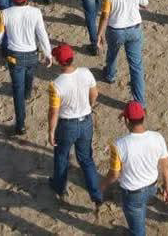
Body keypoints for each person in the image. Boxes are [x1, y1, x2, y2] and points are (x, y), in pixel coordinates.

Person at [101, 101, 168, 236]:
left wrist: (102, 186)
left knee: (138, 230)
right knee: (141, 210)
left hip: (132, 194)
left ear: (126, 120)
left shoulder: (118, 146)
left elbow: (114, 174)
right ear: (144, 116)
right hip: (151, 188)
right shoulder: (157, 138)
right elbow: (166, 167)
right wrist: (167, 188)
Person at [47, 43, 105, 209]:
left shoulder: (56, 85)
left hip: (66, 125)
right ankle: (96, 194)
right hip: (86, 121)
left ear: (58, 61)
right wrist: (89, 106)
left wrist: (51, 131)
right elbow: (95, 94)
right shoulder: (86, 73)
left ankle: (59, 186)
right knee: (86, 159)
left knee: (62, 156)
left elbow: (54, 111)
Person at [0, 0, 52, 136]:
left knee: (16, 90)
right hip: (32, 54)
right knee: (30, 75)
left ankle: (20, 125)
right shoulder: (36, 12)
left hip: (14, 56)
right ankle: (28, 93)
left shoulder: (4, 13)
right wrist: (48, 53)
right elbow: (42, 34)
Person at [98, 0, 149, 103]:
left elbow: (105, 15)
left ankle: (110, 75)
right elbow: (145, 4)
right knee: (136, 66)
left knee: (112, 54)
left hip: (116, 30)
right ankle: (140, 102)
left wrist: (99, 34)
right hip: (135, 29)